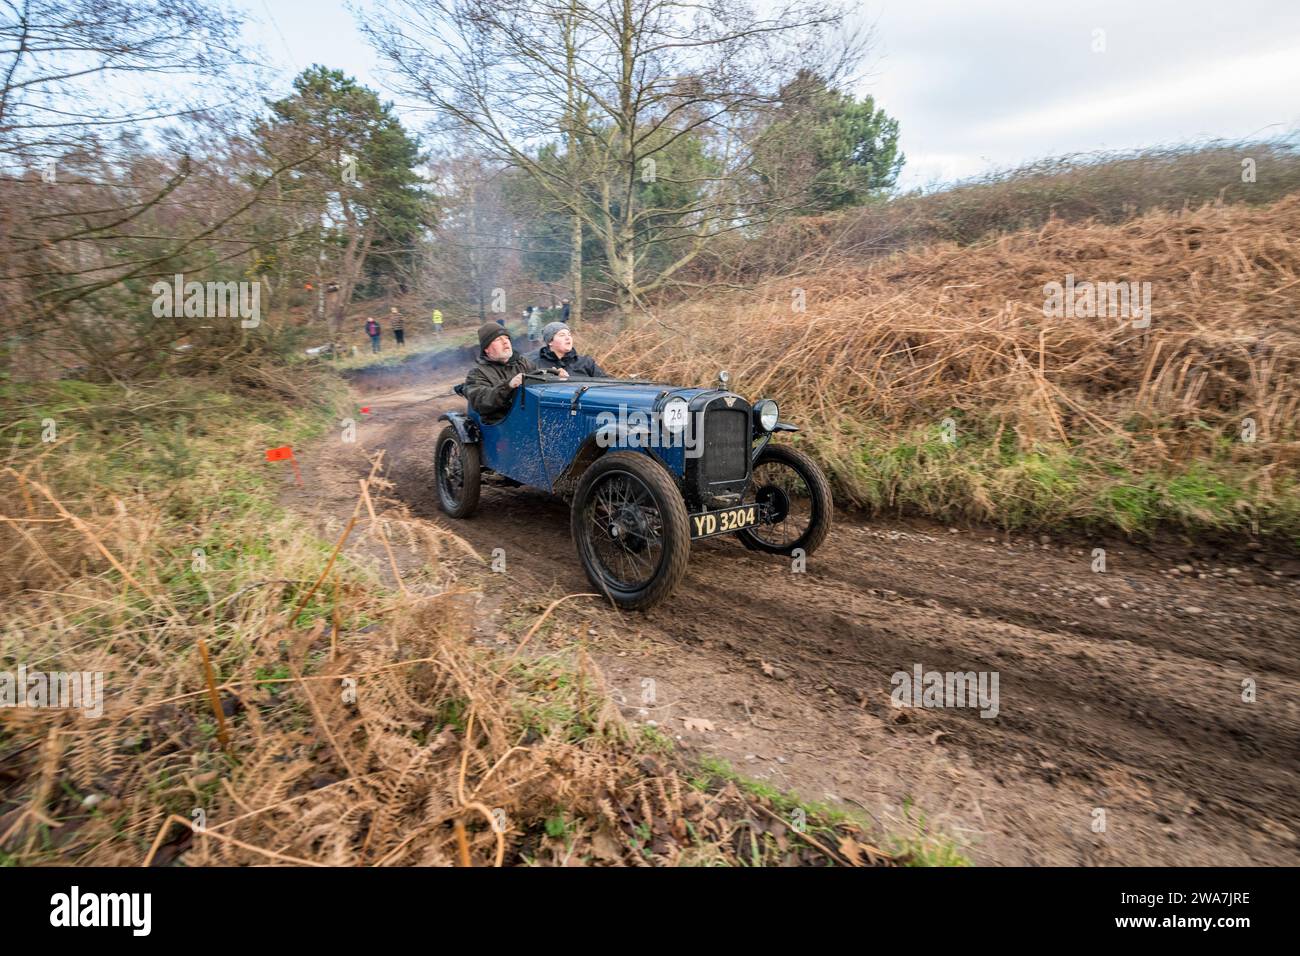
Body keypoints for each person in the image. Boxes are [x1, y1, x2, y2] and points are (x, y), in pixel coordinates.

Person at [464, 322, 567, 424]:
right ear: (486, 349)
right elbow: (482, 402)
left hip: (528, 417)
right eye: (498, 339)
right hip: (503, 425)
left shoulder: (523, 362)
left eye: (507, 338)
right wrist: (509, 386)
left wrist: (554, 378)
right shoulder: (477, 373)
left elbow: (538, 384)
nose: (505, 342)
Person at [533, 322, 605, 377]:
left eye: (569, 334)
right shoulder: (535, 364)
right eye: (562, 335)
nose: (568, 338)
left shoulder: (587, 362)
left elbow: (608, 384)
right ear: (550, 342)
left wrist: (569, 380)